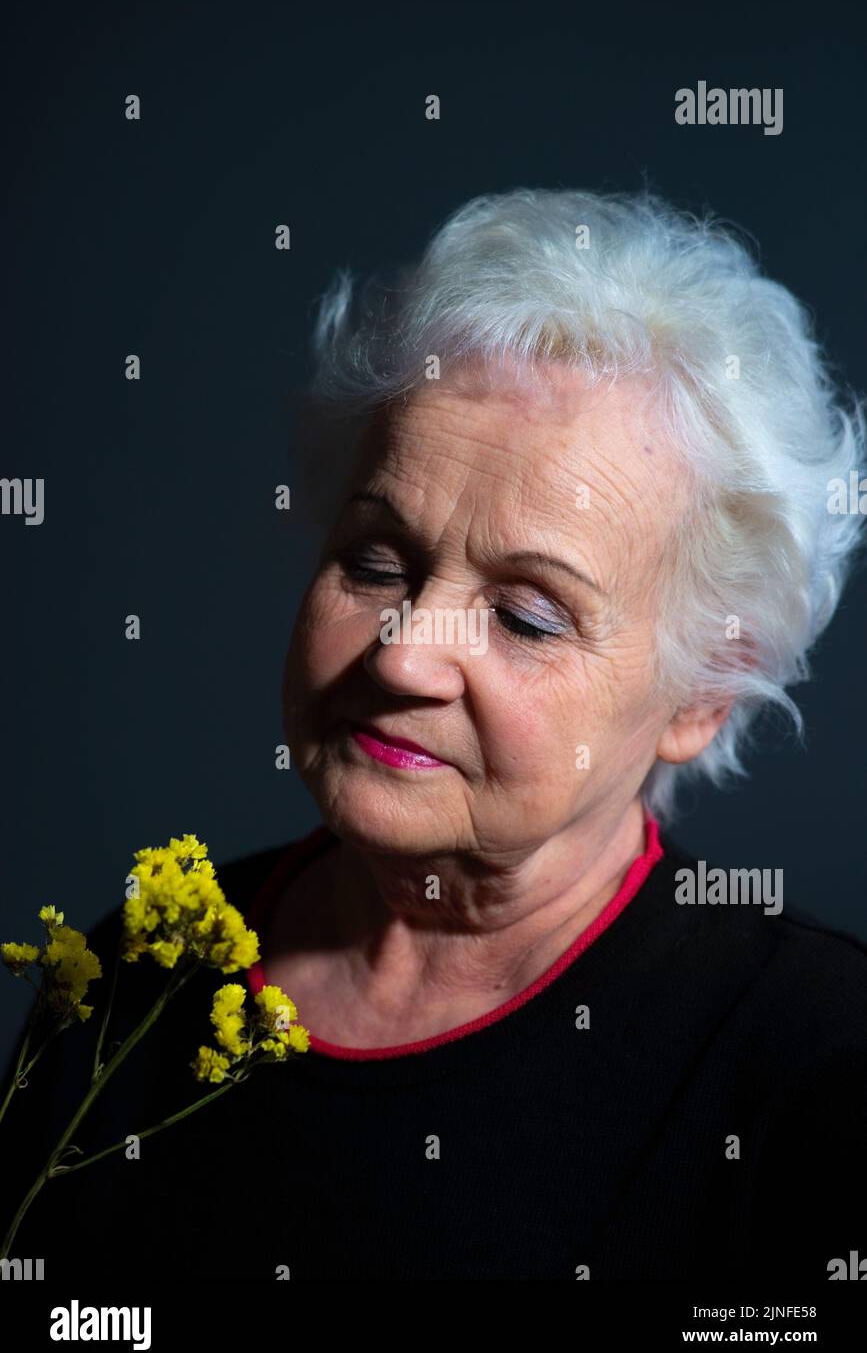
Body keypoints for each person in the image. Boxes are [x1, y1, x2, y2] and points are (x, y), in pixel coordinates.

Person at [3, 187, 866, 1281]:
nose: (403, 654)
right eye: (374, 562)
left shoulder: (816, 1068)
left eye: (525, 615)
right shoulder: (128, 975)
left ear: (703, 695)